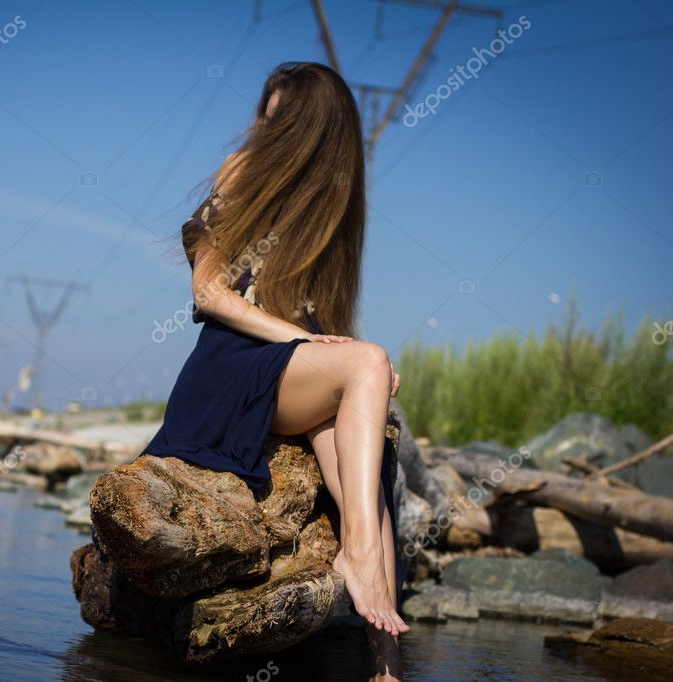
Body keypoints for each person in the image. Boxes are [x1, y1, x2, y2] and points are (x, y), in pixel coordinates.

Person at [142, 61, 406, 678]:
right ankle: (360, 557)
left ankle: (388, 669)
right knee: (367, 361)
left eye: (281, 119)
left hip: (291, 368)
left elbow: (321, 319)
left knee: (365, 483)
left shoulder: (333, 203)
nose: (266, 130)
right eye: (266, 116)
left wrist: (342, 360)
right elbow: (211, 296)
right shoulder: (240, 172)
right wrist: (333, 350)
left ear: (318, 130)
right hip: (229, 365)